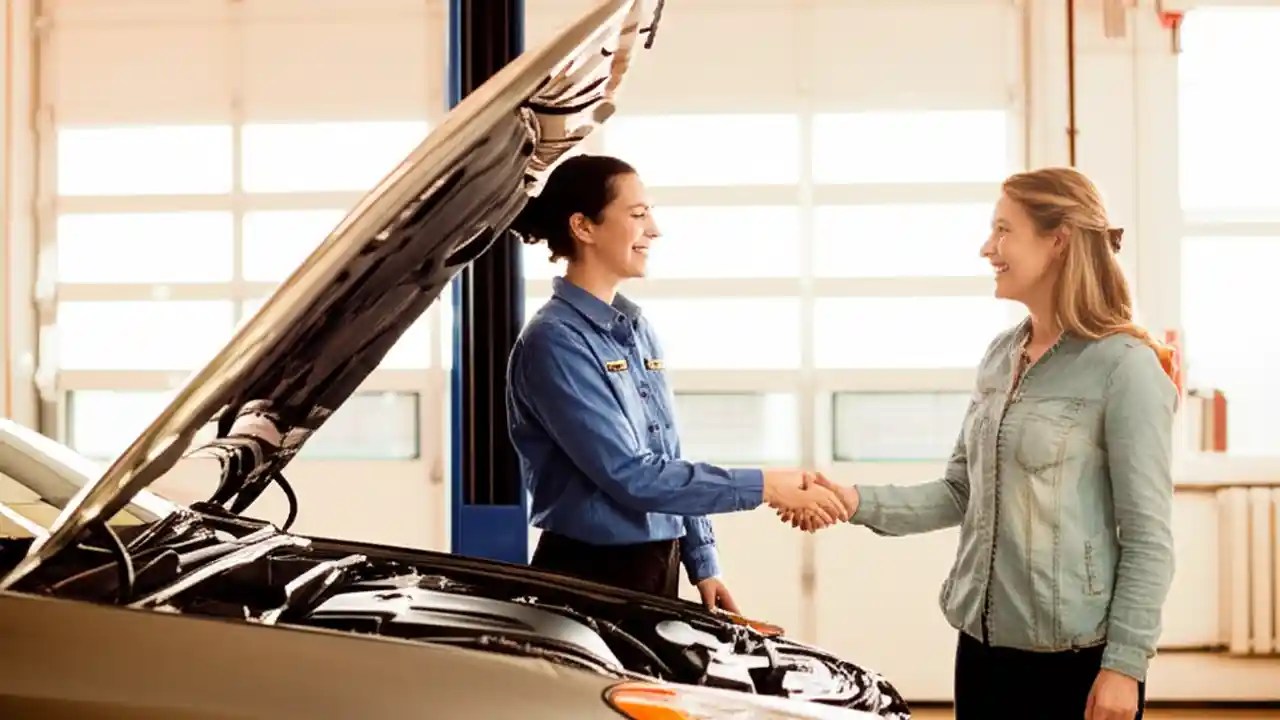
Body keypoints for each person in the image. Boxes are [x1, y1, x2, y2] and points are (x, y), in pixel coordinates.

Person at [783, 167, 1178, 720]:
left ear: (1058, 241)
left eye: (1003, 230)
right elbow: (959, 490)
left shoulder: (1125, 367)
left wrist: (1125, 666)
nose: (987, 247)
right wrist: (851, 500)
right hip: (981, 649)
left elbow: (1148, 538)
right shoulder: (1001, 354)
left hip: (1075, 660)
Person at [505, 153, 850, 612]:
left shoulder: (635, 329)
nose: (654, 229)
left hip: (653, 562)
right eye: (637, 214)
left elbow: (666, 455)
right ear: (583, 227)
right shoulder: (555, 341)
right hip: (590, 572)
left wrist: (701, 559)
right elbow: (631, 475)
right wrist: (766, 485)